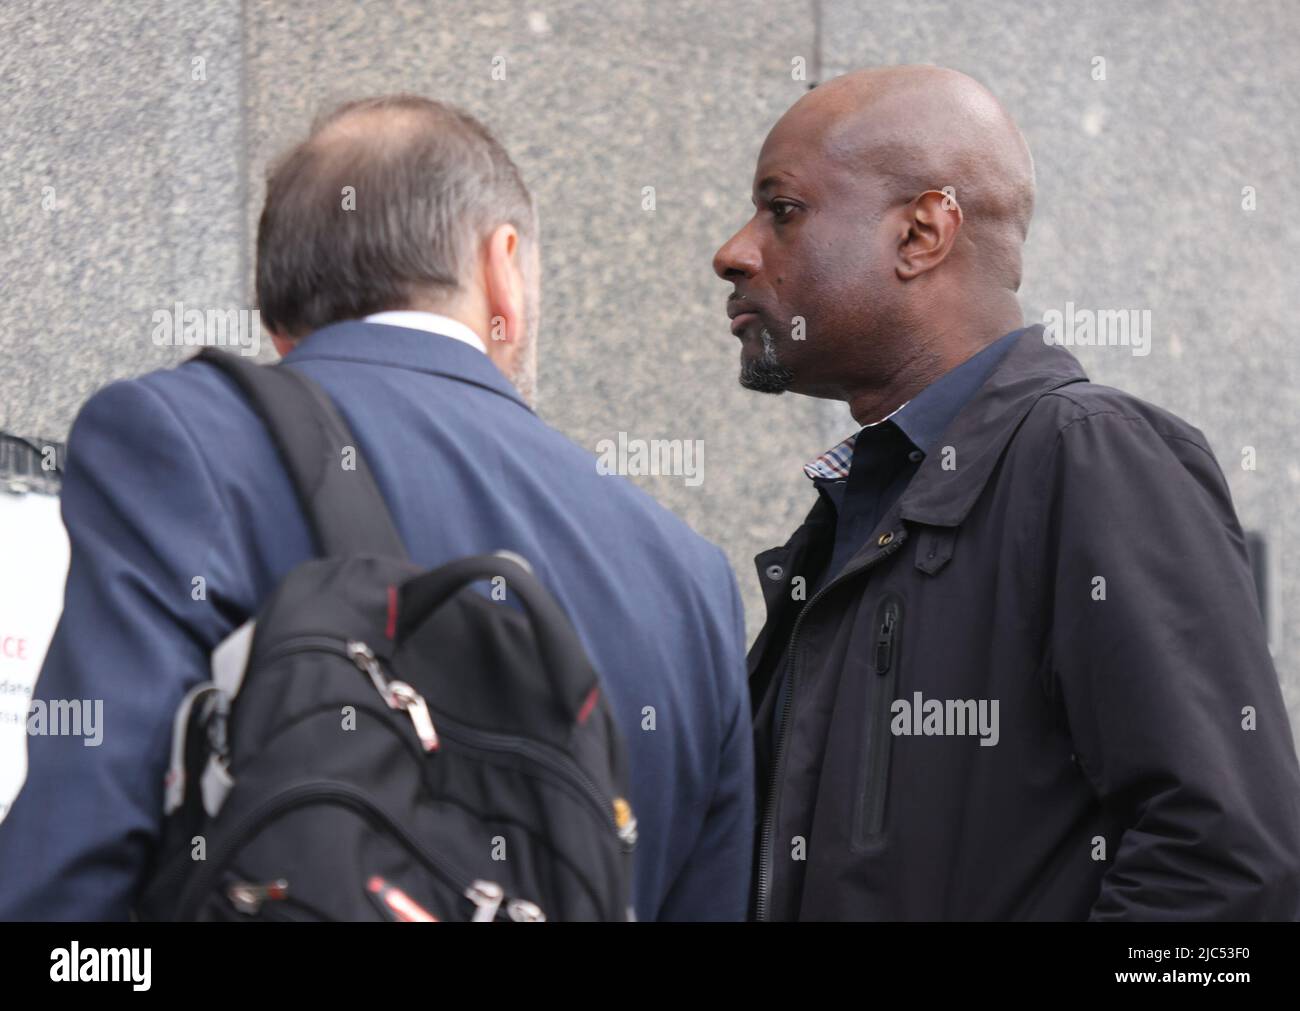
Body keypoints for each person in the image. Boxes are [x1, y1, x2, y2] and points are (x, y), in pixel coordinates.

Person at [0, 95, 753, 921]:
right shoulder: (689, 577)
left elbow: (79, 855)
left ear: (278, 317)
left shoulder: (185, 440)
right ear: (503, 265)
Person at [712, 65, 1300, 920]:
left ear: (921, 234)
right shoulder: (865, 505)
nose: (734, 249)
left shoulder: (1090, 456)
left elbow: (1234, 874)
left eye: (784, 209)